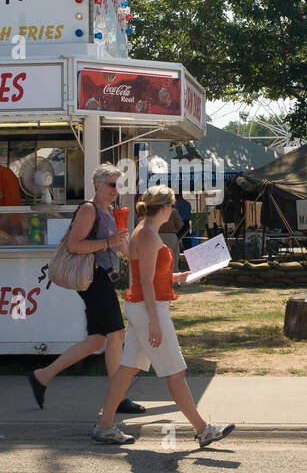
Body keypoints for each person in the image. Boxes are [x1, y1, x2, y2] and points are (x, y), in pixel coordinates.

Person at [92, 184, 235, 448]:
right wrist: (155, 323)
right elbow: (145, 281)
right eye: (172, 206)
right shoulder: (148, 235)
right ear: (167, 208)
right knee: (176, 372)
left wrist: (178, 277)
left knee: (127, 369)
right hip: (149, 309)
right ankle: (203, 430)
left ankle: (105, 426)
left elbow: (149, 275)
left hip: (142, 306)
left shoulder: (146, 231)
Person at [26, 164, 145, 415]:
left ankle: (42, 376)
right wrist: (108, 242)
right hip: (93, 277)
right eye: (112, 185)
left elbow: (126, 249)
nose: (116, 190)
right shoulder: (89, 210)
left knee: (96, 340)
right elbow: (74, 245)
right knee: (116, 334)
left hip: (101, 277)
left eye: (118, 185)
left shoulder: (111, 212)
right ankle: (118, 396)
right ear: (98, 185)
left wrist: (147, 251)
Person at [158, 190, 185, 270]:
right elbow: (180, 225)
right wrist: (174, 231)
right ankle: (174, 280)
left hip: (158, 236)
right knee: (173, 259)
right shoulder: (174, 211)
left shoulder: (157, 211)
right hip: (171, 236)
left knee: (160, 259)